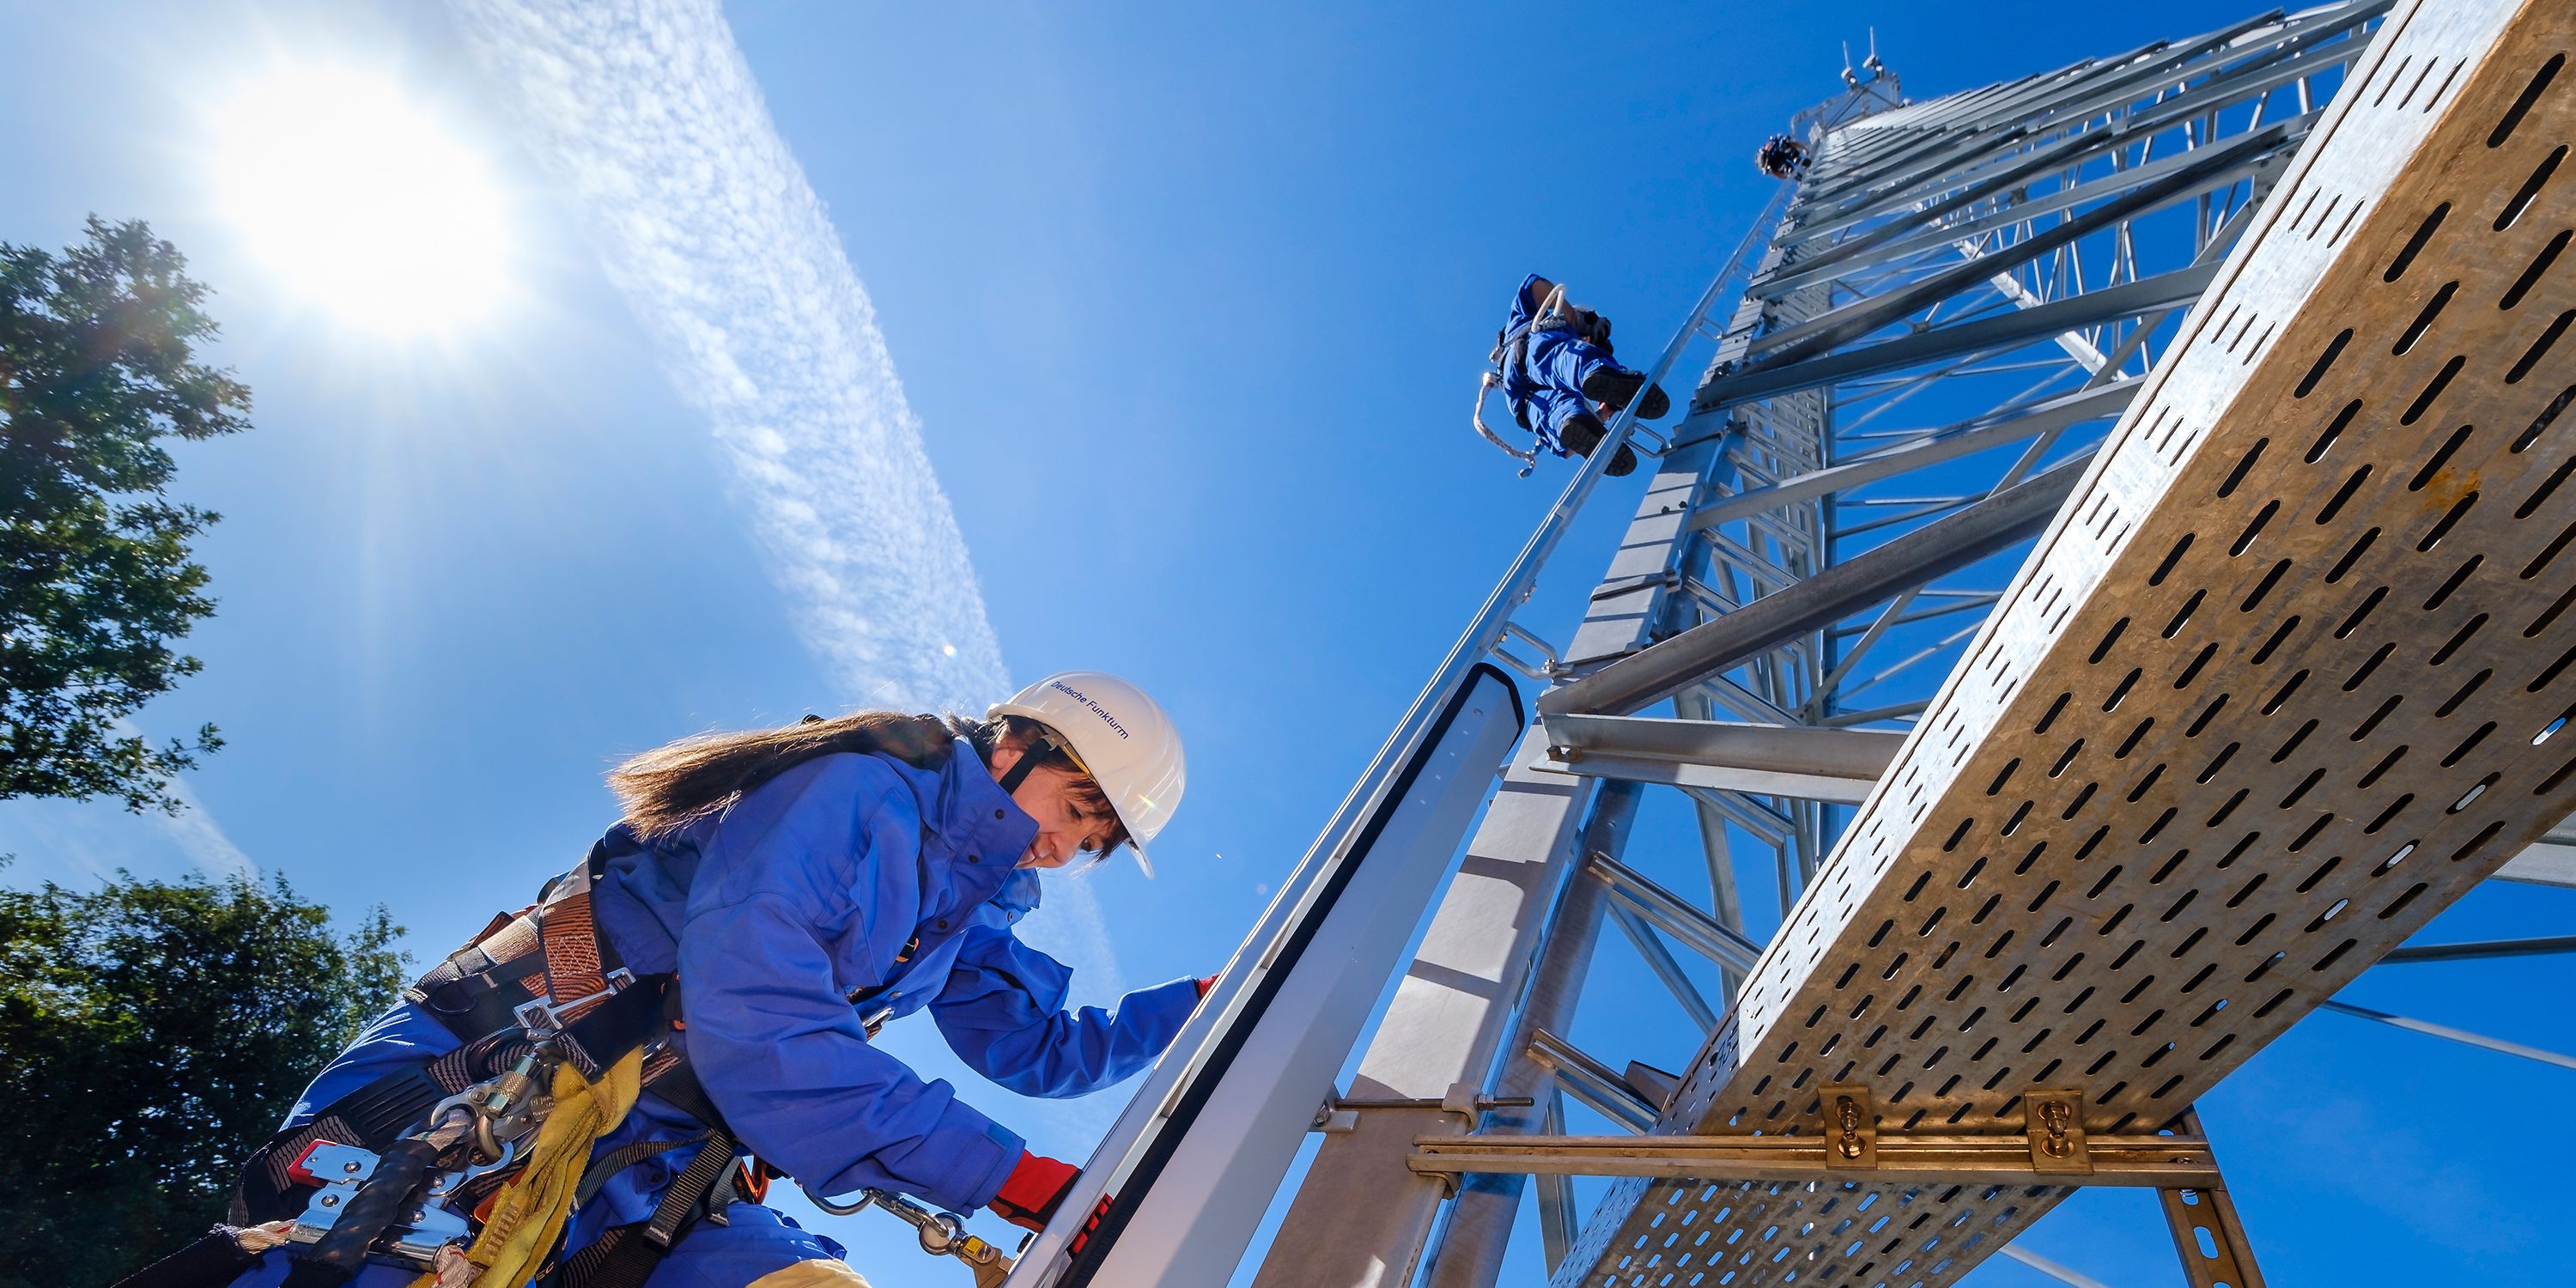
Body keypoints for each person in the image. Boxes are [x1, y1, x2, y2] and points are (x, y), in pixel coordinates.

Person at [194, 671, 1206, 1288]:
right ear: (1016, 743)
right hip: (491, 1083)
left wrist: (1202, 1009)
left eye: (1093, 842)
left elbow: (1037, 1050)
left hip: (665, 1166)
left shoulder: (971, 910)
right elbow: (762, 1019)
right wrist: (1011, 1177)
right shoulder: (853, 795)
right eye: (1075, 809)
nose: (1066, 848)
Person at [1490, 274, 1668, 477]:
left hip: (1522, 400)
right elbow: (1534, 285)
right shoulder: (1536, 321)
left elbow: (1569, 450)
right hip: (1529, 350)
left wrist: (1603, 414)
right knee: (1564, 357)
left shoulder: (1530, 331)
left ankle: (1572, 415)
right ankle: (1594, 370)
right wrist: (1572, 316)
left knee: (1561, 415)